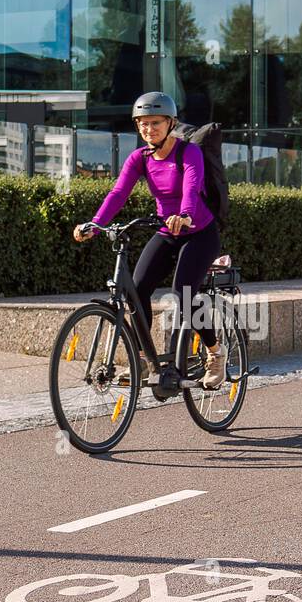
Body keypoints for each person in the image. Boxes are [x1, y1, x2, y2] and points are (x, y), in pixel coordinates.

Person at [73, 92, 225, 389]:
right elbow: (118, 193)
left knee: (183, 294)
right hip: (167, 232)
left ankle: (215, 352)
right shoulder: (140, 159)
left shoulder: (187, 153)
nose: (148, 129)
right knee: (136, 290)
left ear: (171, 123)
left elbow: (192, 187)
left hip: (199, 233)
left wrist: (184, 214)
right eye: (142, 124)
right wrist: (95, 223)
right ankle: (144, 360)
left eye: (155, 123)